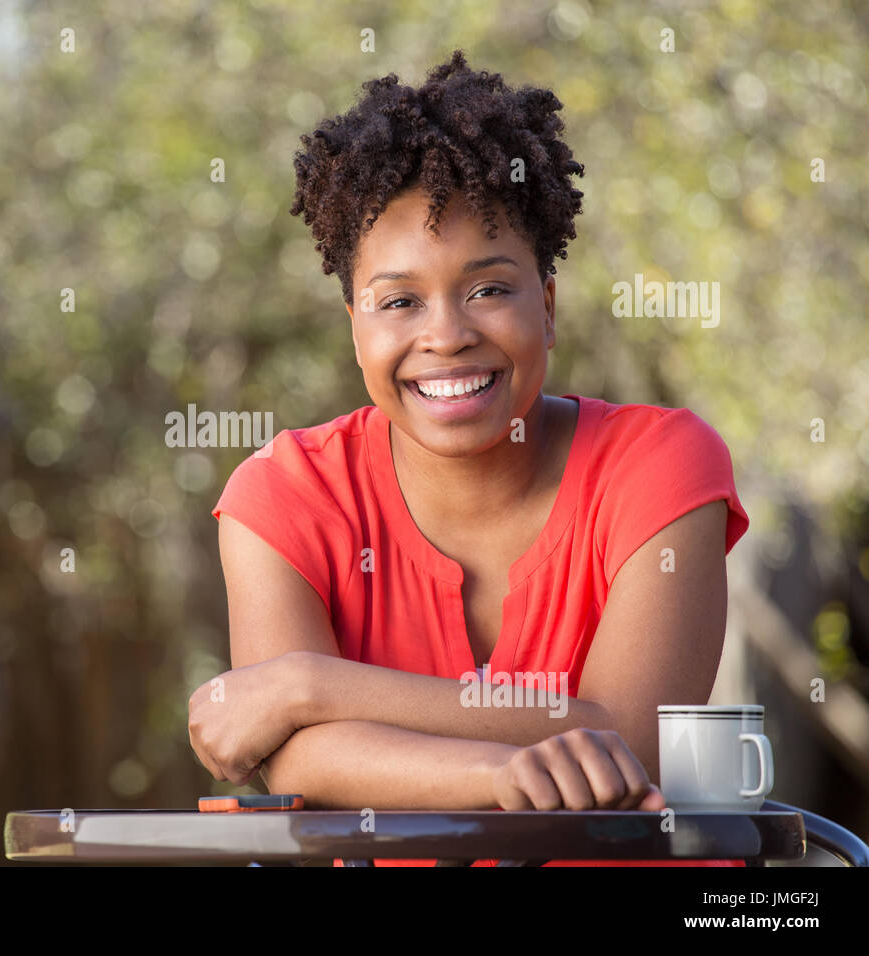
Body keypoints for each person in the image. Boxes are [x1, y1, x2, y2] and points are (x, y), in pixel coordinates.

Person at [188, 50, 750, 866]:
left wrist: (314, 686)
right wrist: (507, 768)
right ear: (355, 326)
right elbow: (294, 760)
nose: (446, 334)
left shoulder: (660, 467)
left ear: (547, 308)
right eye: (399, 301)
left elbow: (629, 741)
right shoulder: (285, 496)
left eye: (488, 289)